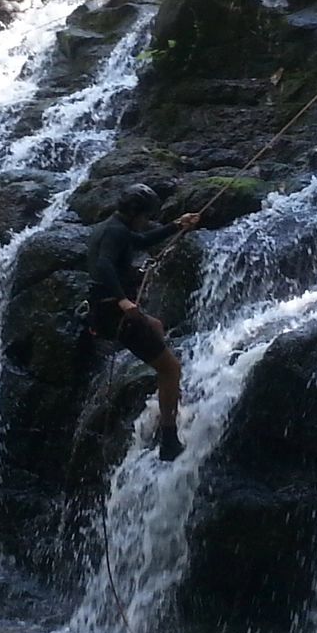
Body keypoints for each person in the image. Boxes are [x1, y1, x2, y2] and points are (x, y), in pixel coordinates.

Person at [85, 184, 203, 459]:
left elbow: (140, 242)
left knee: (156, 327)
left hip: (102, 311)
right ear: (136, 212)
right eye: (147, 215)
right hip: (115, 313)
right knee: (171, 368)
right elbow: (104, 265)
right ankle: (169, 440)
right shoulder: (115, 232)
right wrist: (123, 301)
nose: (147, 220)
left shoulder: (112, 227)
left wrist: (177, 225)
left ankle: (167, 397)